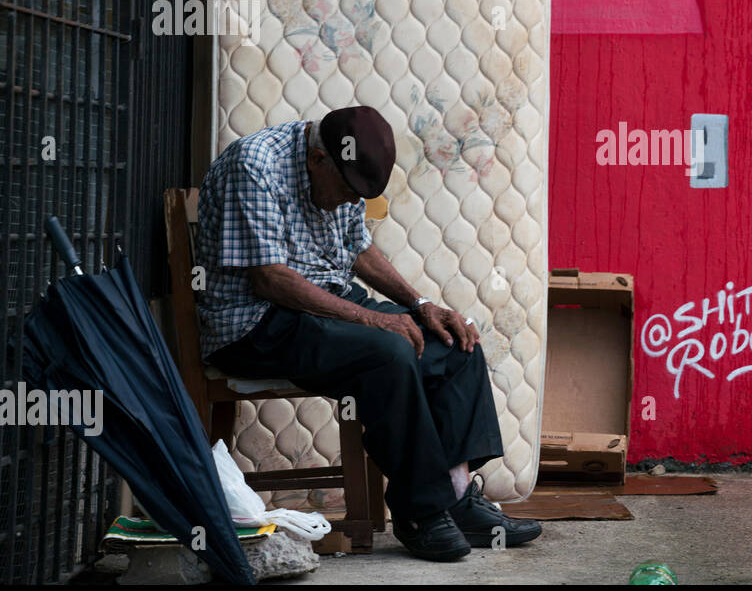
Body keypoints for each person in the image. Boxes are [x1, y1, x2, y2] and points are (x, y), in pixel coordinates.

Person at [194, 105, 541, 562]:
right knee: (388, 352)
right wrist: (377, 320)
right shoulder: (253, 165)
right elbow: (271, 280)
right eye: (345, 191)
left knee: (456, 341)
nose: (347, 201)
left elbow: (358, 249)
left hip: (319, 307)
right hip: (254, 322)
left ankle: (456, 500)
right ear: (318, 160)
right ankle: (421, 513)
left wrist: (420, 305)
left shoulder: (343, 166)